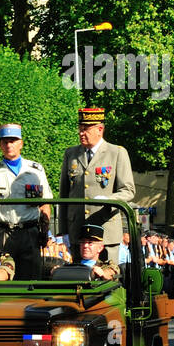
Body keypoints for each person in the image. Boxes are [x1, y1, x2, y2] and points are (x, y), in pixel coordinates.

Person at [59, 105, 135, 265]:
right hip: (78, 234)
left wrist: (108, 199)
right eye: (80, 128)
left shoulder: (117, 153)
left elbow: (128, 190)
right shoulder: (71, 154)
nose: (81, 133)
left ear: (100, 129)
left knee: (108, 278)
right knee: (78, 281)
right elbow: (64, 196)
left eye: (86, 129)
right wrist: (63, 231)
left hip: (106, 232)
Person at [0, 124, 53, 279]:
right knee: (1, 276)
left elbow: (45, 204)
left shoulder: (35, 169)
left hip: (30, 232)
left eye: (13, 141)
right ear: (0, 144)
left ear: (21, 143)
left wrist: (45, 230)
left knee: (31, 279)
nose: (9, 145)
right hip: (4, 234)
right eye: (5, 141)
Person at [42, 223, 118, 281]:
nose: (85, 246)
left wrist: (102, 274)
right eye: (82, 242)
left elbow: (112, 274)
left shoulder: (105, 266)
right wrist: (55, 272)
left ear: (100, 248)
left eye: (90, 243)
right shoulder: (68, 264)